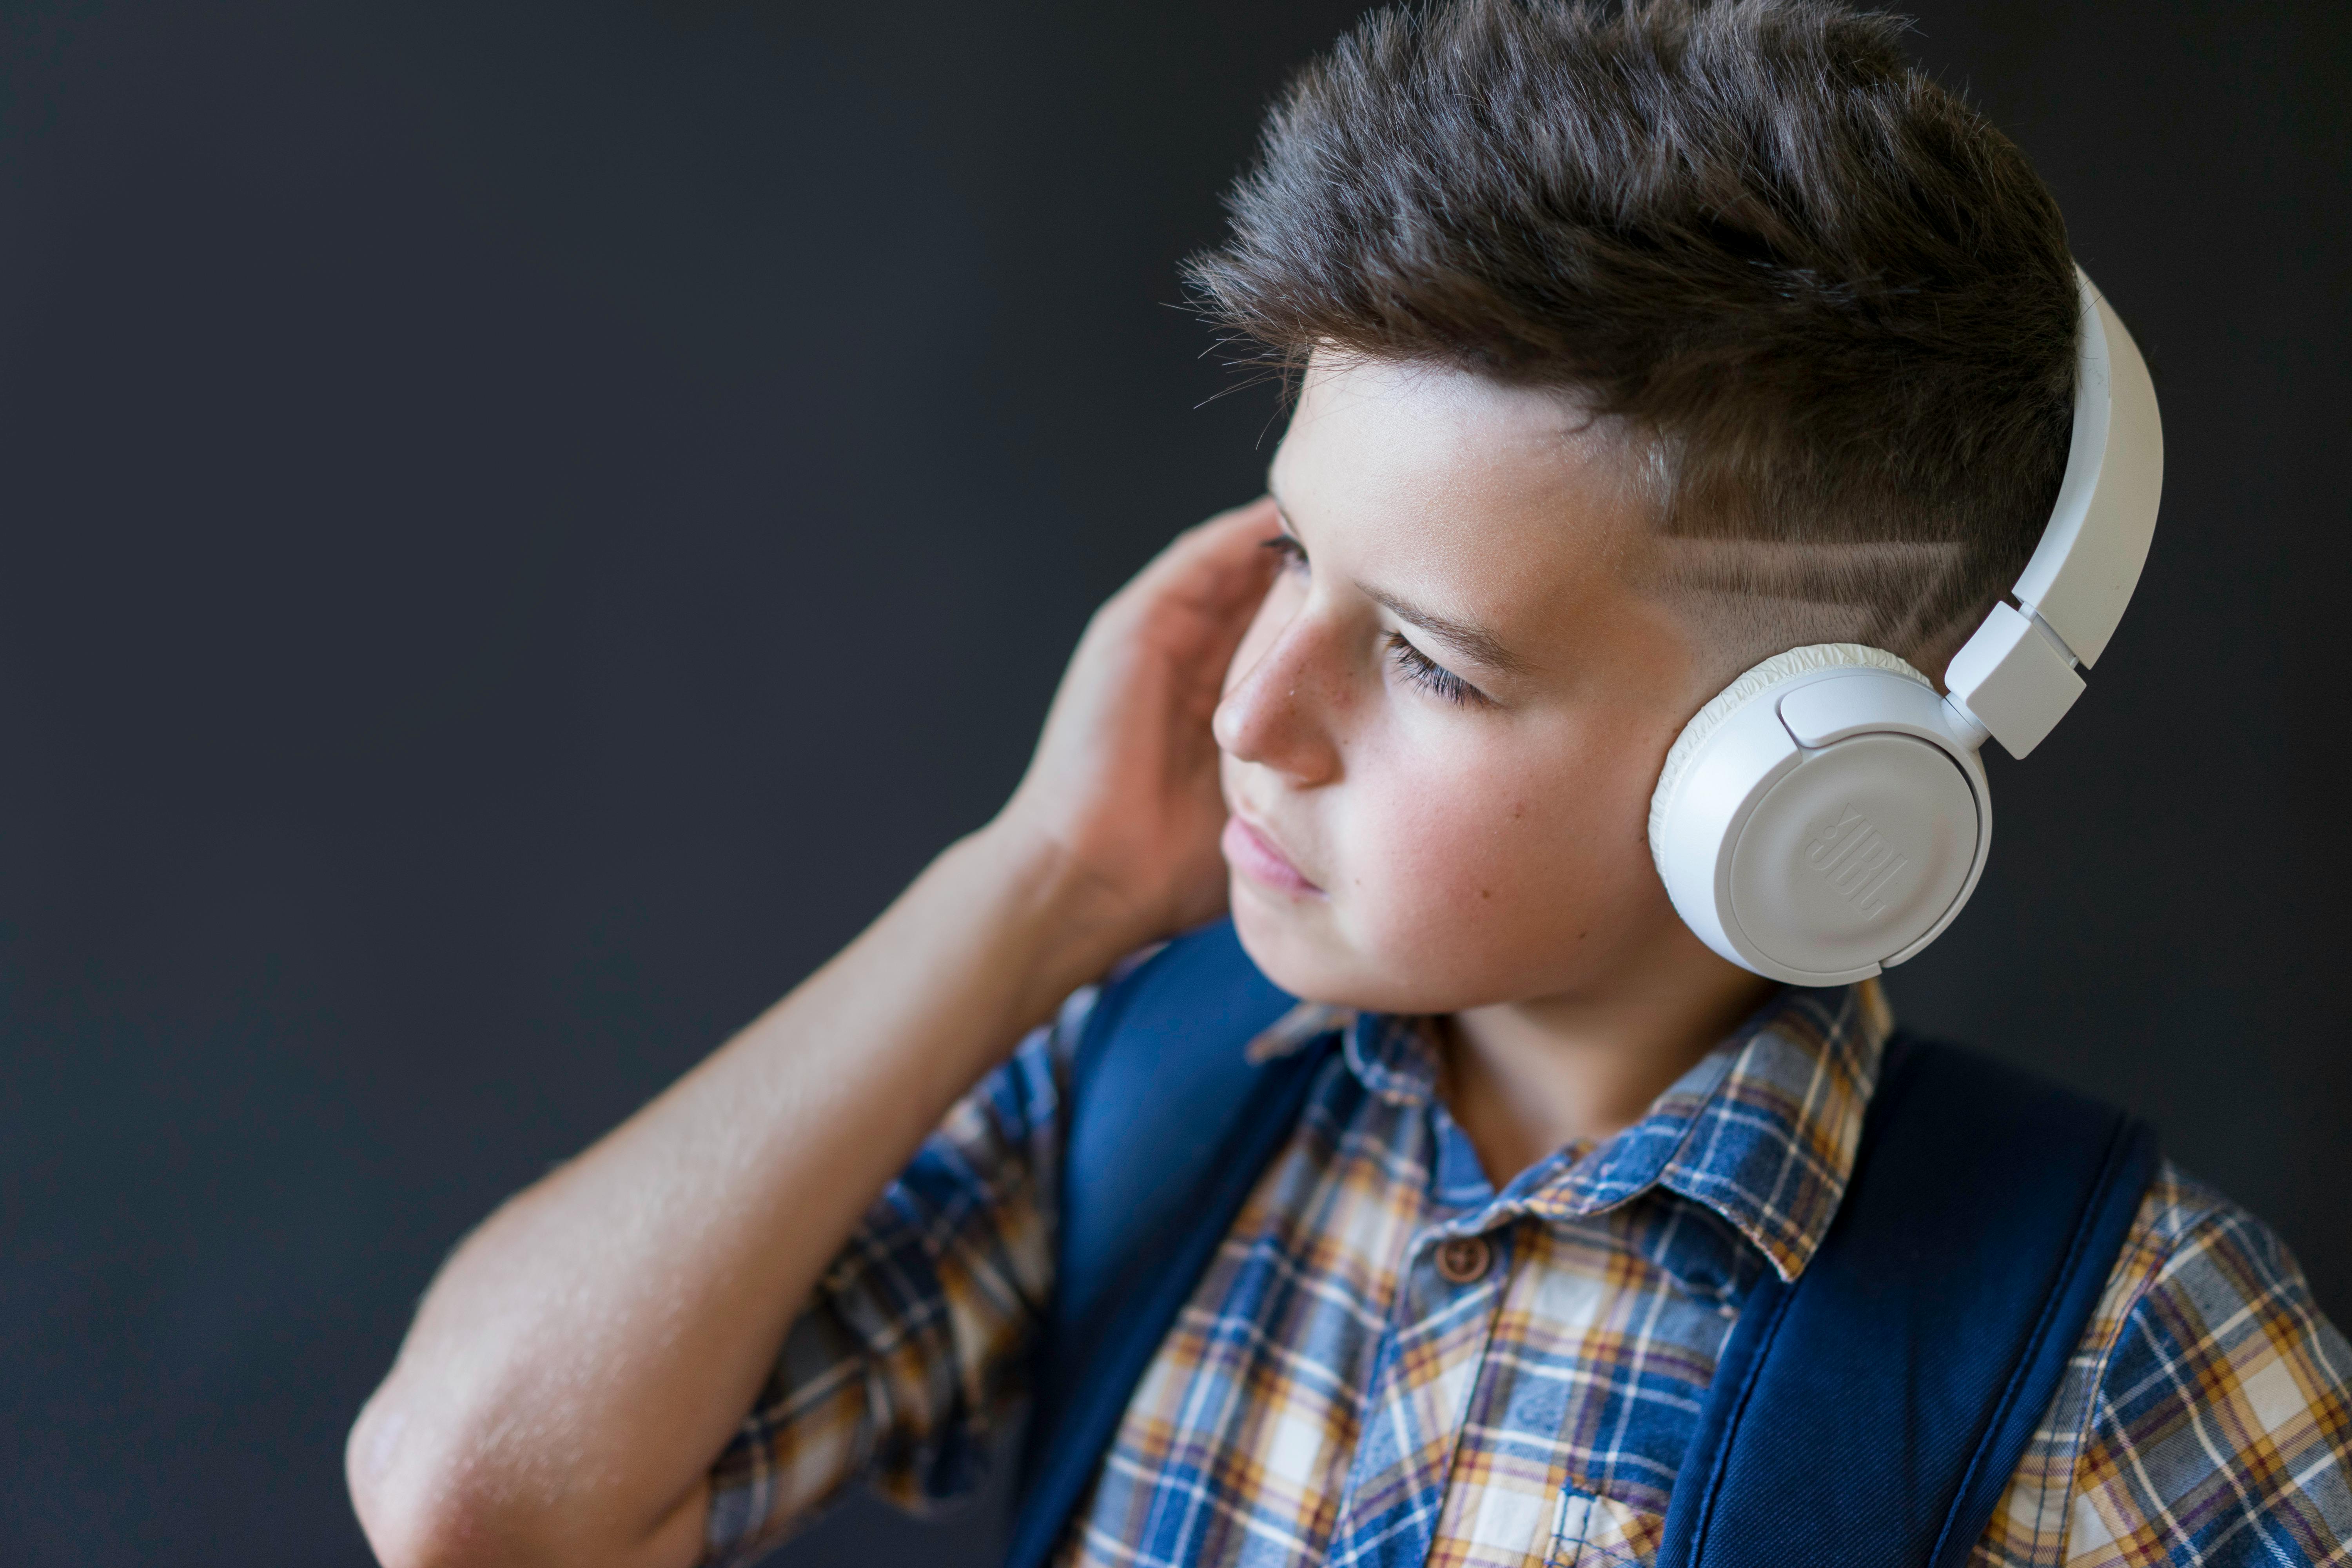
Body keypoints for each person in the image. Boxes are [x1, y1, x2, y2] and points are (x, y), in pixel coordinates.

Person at [345, 2, 2352, 1565]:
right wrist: (1037, 883)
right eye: (1293, 550)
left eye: (1429, 659)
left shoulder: (2124, 1345)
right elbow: (476, 1496)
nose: (1249, 710)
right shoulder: (1138, 1095)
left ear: (1814, 782)